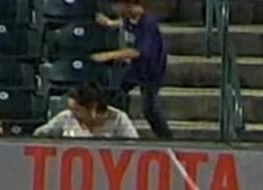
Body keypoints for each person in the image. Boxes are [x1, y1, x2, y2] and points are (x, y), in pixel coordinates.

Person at [94, 0, 171, 139]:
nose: (114, 8)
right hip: (135, 68)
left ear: (127, 4)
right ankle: (117, 131)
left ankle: (166, 138)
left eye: (117, 5)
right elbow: (123, 23)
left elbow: (137, 52)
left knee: (149, 108)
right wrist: (109, 23)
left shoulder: (148, 24)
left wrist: (108, 55)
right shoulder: (129, 18)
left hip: (151, 70)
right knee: (116, 93)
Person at [33, 84, 139, 138]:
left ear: (93, 107)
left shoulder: (119, 119)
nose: (73, 114)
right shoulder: (66, 117)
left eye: (77, 110)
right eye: (71, 109)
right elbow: (39, 134)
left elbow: (133, 146)